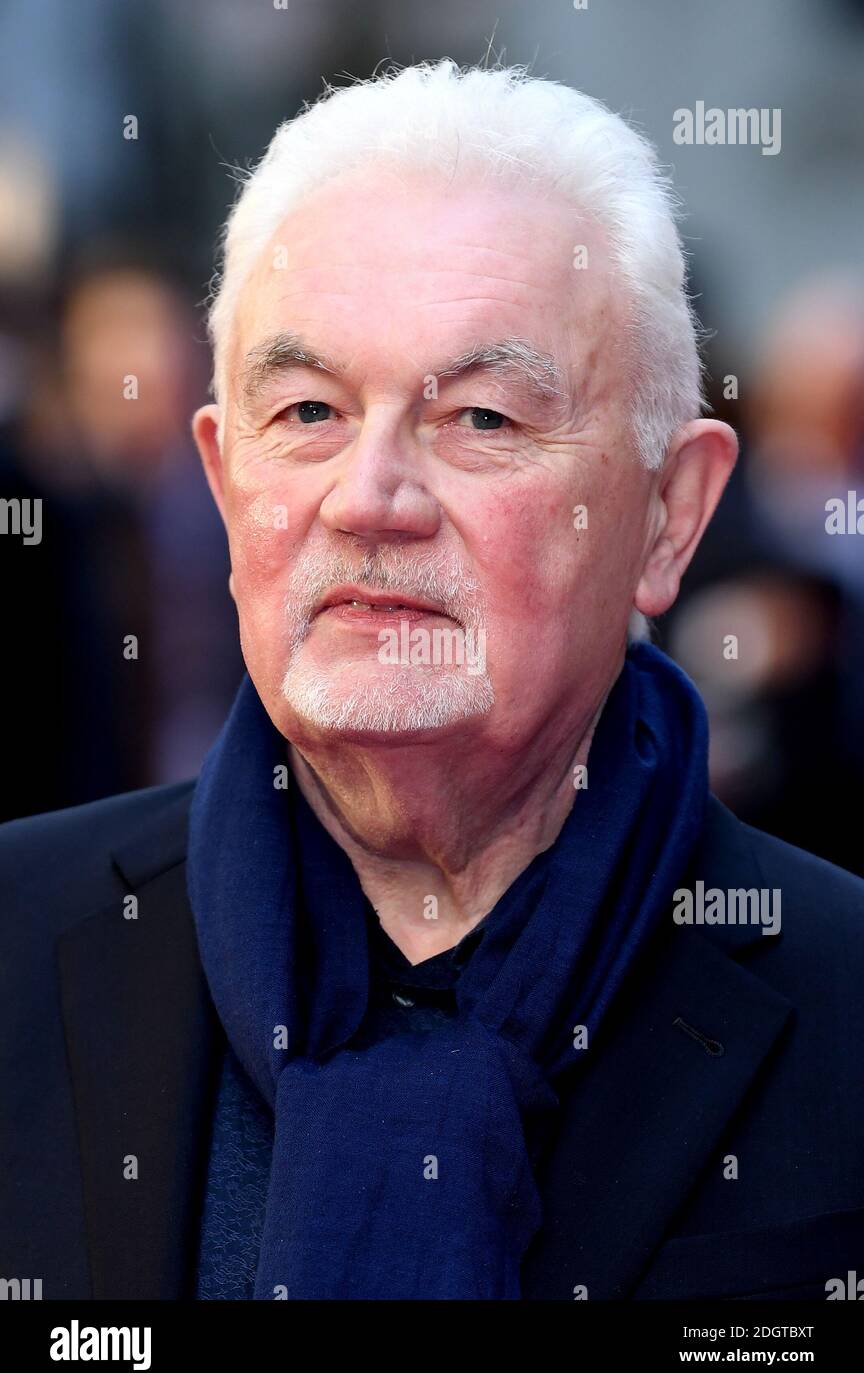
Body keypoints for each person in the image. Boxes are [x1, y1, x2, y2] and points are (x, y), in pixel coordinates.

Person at [2, 60, 863, 1302]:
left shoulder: (842, 1006)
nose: (370, 498)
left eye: (482, 419)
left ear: (669, 516)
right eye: (308, 412)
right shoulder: (21, 941)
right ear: (224, 483)